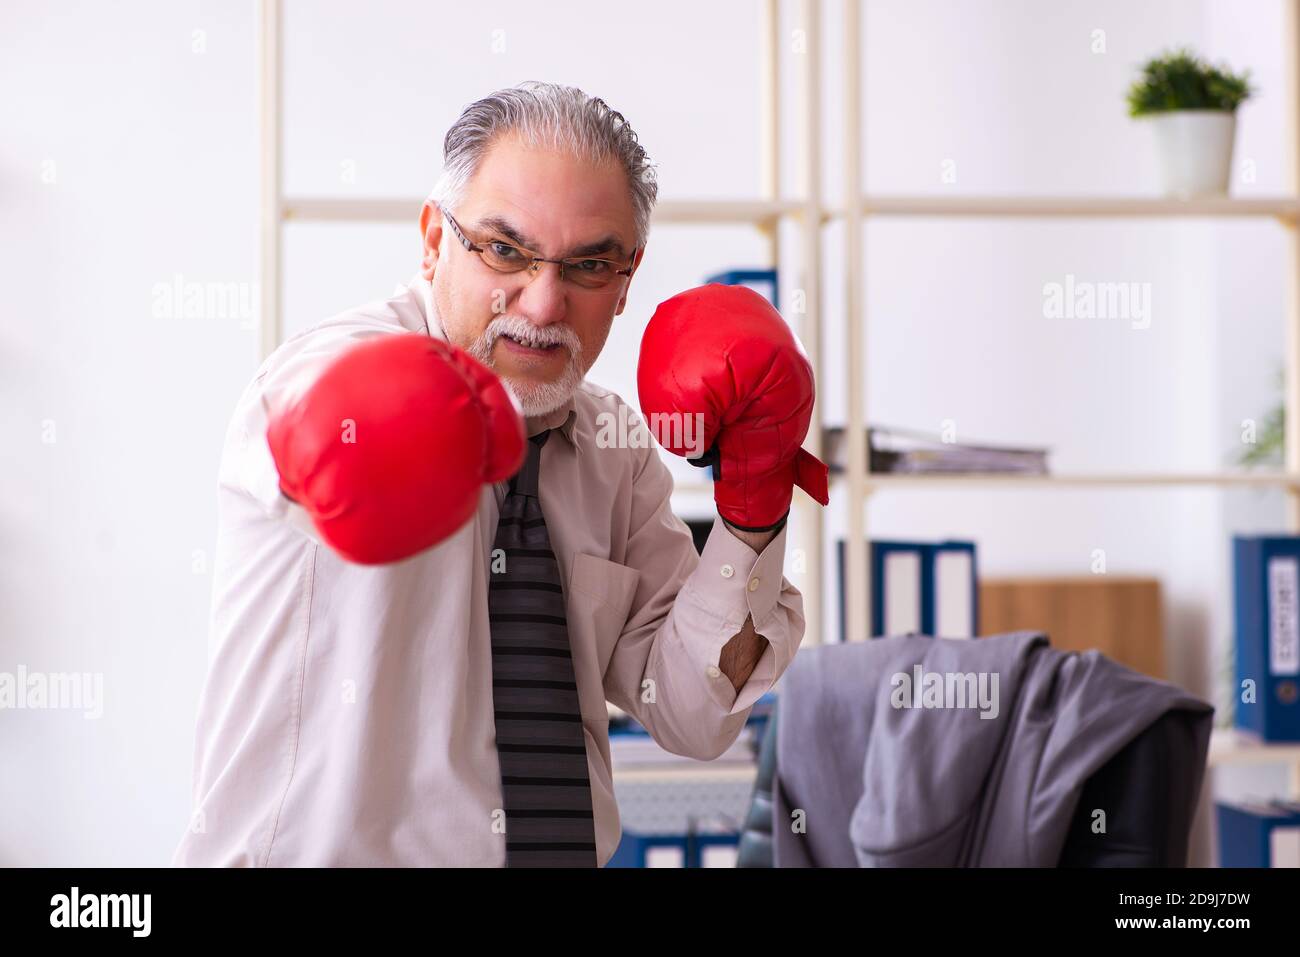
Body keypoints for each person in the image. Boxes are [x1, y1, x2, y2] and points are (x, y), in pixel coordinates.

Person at [173, 81, 824, 867]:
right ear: (432, 239)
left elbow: (691, 711)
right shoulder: (328, 369)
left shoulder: (610, 448)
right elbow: (304, 432)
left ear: (626, 282)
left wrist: (755, 494)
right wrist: (384, 436)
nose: (544, 303)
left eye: (588, 264)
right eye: (504, 249)